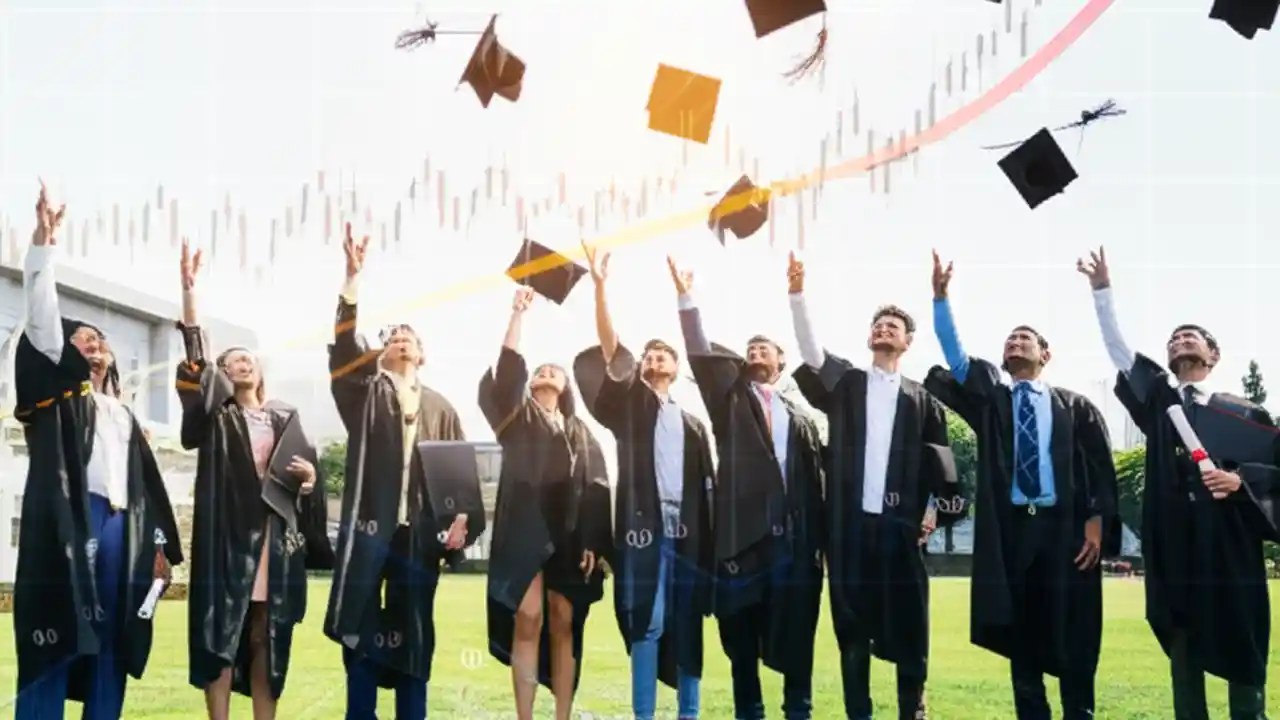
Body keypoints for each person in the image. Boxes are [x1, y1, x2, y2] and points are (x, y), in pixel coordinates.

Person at [1078, 246, 1278, 720]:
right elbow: (1120, 353)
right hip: (1178, 548)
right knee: (1184, 657)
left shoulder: (1244, 413)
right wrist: (1102, 291)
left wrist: (1239, 480)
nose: (1179, 340)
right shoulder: (1160, 404)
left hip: (1230, 549)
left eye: (1191, 336)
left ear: (1213, 354)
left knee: (1242, 650)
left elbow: (1276, 476)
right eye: (1173, 338)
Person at [922, 250, 1120, 720]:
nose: (1015, 342)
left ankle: (1080, 713)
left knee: (1073, 633)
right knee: (1021, 638)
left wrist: (1095, 524)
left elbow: (1099, 467)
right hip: (1013, 534)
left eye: (1025, 338)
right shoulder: (993, 401)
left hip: (1066, 532)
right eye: (1009, 339)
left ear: (1045, 354)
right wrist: (940, 298)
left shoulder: (1075, 406)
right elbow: (956, 356)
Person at [13, 181, 183, 720]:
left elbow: (149, 492)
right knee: (59, 631)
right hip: (71, 518)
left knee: (113, 633)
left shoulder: (126, 416)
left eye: (99, 340)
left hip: (121, 529)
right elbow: (42, 319)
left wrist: (158, 545)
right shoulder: (59, 394)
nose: (94, 344)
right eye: (82, 338)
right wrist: (44, 244)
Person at [786, 252, 967, 720]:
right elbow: (810, 352)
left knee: (910, 625)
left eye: (894, 326)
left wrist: (934, 512)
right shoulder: (847, 384)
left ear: (907, 342)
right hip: (849, 531)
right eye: (878, 324)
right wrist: (797, 294)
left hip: (900, 530)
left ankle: (913, 710)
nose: (884, 329)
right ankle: (858, 713)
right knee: (851, 629)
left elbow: (942, 465)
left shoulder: (923, 401)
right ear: (870, 337)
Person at [322, 224, 480, 720]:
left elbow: (459, 476)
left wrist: (461, 526)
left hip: (419, 534)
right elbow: (344, 349)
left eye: (410, 338)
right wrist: (352, 279)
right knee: (362, 630)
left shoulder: (441, 407)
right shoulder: (363, 392)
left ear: (423, 354)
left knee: (414, 630)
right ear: (381, 352)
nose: (401, 341)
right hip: (371, 527)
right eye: (393, 337)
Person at [173, 239, 335, 719]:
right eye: (232, 361)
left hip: (274, 540)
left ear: (260, 369)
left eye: (248, 358)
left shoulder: (285, 417)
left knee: (268, 631)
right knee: (221, 631)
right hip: (227, 538)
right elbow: (195, 362)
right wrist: (190, 296)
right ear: (220, 375)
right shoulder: (216, 415)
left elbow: (303, 484)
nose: (242, 363)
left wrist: (308, 480)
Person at [668, 255, 825, 720]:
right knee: (741, 637)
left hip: (791, 546)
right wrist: (686, 298)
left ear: (781, 362)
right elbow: (698, 350)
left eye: (764, 349)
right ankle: (749, 713)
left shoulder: (802, 420)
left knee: (797, 634)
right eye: (750, 349)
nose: (755, 353)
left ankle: (799, 710)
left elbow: (815, 484)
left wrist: (817, 544)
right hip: (741, 541)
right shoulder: (729, 401)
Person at [572, 241, 716, 720]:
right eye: (648, 356)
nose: (654, 360)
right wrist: (600, 290)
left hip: (688, 535)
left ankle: (689, 713)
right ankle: (644, 715)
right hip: (644, 532)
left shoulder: (693, 425)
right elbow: (613, 349)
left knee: (688, 625)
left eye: (662, 357)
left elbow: (708, 489)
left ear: (675, 369)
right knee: (648, 625)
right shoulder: (632, 405)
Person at [480, 285, 613, 720]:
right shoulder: (516, 418)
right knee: (528, 618)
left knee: (562, 620)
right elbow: (504, 376)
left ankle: (562, 714)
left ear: (566, 387)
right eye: (540, 369)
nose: (547, 372)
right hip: (523, 529)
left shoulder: (581, 432)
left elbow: (596, 487)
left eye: (555, 370)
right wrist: (516, 315)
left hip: (569, 535)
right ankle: (524, 716)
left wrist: (595, 539)